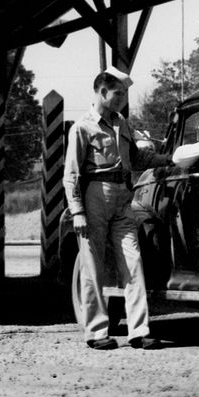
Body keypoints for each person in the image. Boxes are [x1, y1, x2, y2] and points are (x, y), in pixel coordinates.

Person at [64, 66, 165, 351]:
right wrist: (78, 212)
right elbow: (71, 174)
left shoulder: (121, 123)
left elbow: (136, 158)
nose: (122, 99)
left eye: (124, 94)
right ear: (101, 91)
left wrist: (169, 159)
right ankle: (96, 332)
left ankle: (139, 331)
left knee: (133, 263)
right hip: (95, 195)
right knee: (92, 266)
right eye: (118, 94)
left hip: (123, 196)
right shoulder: (82, 127)